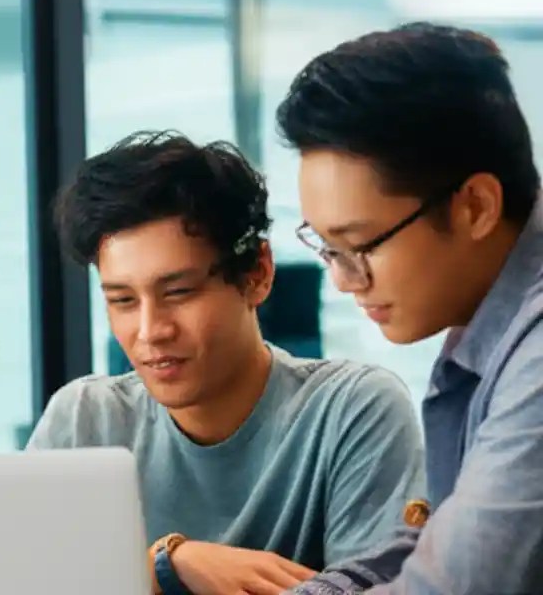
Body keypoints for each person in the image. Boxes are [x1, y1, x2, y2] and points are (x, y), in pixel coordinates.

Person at [28, 131, 425, 595]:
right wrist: (168, 563)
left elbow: (376, 585)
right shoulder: (84, 419)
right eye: (122, 300)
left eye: (178, 293)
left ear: (257, 273)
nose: (151, 330)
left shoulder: (351, 409)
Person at [277, 22, 543, 594]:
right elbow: (439, 541)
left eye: (362, 246)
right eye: (328, 248)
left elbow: (456, 584)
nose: (346, 280)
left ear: (475, 206)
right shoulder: (489, 316)